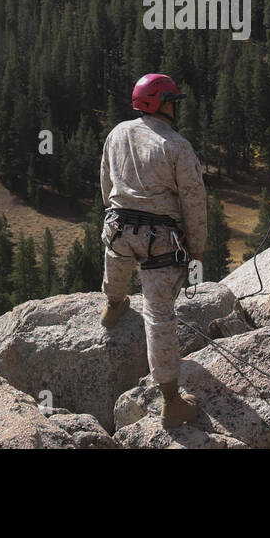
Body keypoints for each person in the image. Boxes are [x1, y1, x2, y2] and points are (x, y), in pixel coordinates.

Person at [99, 73, 207, 429]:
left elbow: (106, 181)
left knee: (116, 261)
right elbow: (194, 202)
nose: (176, 106)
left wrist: (115, 215)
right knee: (159, 316)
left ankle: (113, 305)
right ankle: (172, 402)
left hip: (117, 226)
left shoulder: (117, 133)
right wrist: (197, 251)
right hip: (161, 239)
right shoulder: (176, 145)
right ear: (161, 103)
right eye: (172, 100)